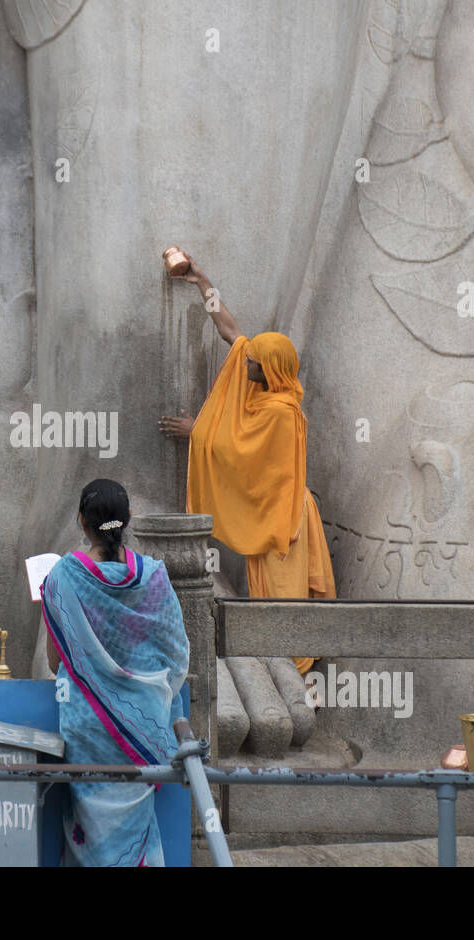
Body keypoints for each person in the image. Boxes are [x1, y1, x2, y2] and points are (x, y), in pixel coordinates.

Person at [159, 254, 335, 675]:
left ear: (269, 369)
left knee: (282, 605)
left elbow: (243, 454)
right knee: (267, 601)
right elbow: (231, 332)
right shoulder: (266, 389)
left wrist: (197, 431)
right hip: (271, 520)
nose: (247, 363)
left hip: (286, 526)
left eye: (254, 362)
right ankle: (284, 681)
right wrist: (202, 279)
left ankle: (295, 688)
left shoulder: (281, 411)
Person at [41, 478, 190, 866]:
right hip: (147, 732)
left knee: (90, 839)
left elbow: (56, 663)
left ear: (80, 521)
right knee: (136, 837)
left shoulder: (62, 578)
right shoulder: (155, 577)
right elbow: (176, 661)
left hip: (88, 733)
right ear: (127, 521)